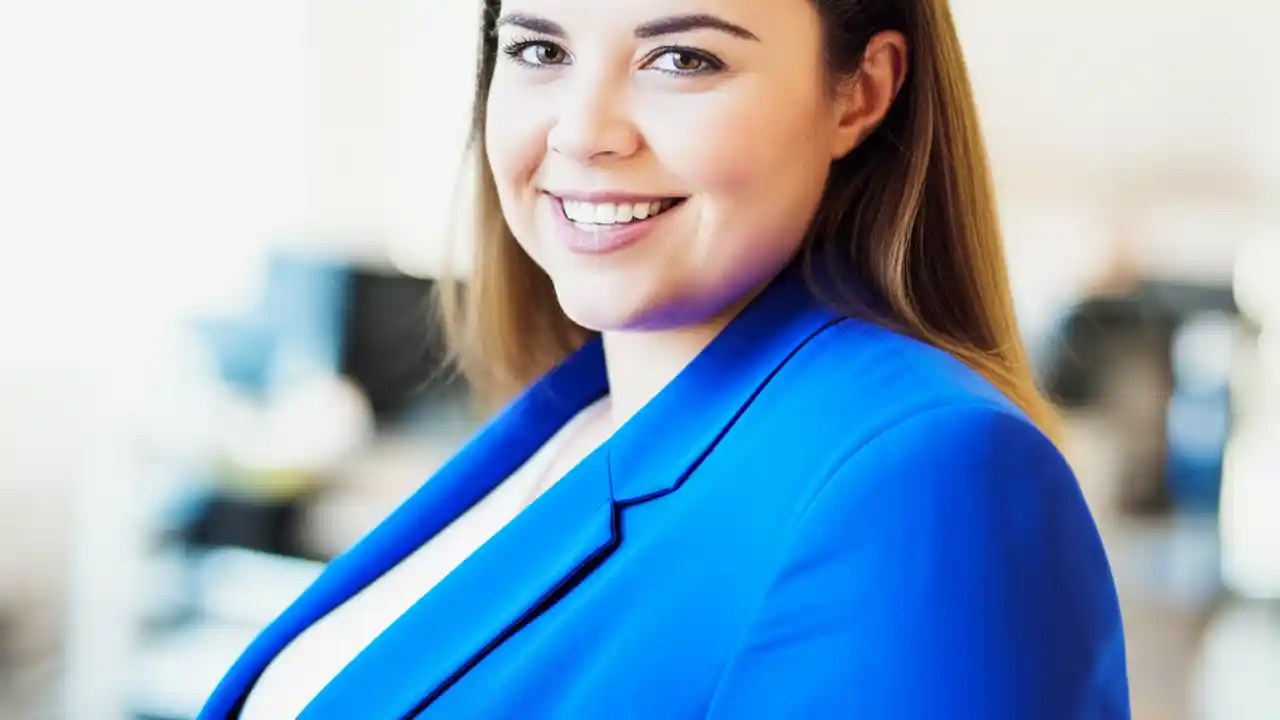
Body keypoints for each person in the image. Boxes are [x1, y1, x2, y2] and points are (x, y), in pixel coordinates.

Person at [201, 0, 1129, 717]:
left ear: (861, 92)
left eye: (681, 58)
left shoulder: (926, 478)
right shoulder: (573, 422)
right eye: (540, 49)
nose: (583, 130)